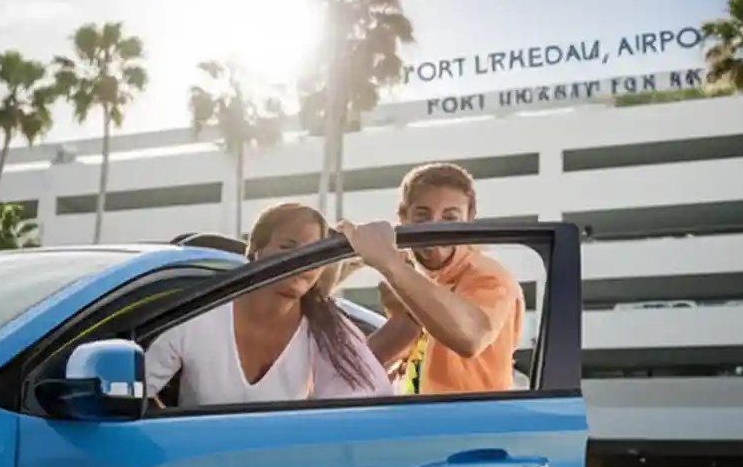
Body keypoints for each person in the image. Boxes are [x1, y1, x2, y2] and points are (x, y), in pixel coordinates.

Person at [144, 202, 391, 407]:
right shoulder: (198, 318)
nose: (302, 261)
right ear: (256, 251)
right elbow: (135, 396)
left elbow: (368, 398)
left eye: (315, 253)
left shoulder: (328, 330)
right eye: (287, 247)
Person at [341, 162, 526, 394]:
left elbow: (470, 337)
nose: (435, 228)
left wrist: (389, 263)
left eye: (450, 218)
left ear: (469, 220)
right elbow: (369, 367)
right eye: (422, 216)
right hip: (421, 422)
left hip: (473, 426)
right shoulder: (414, 280)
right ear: (402, 218)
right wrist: (347, 257)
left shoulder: (489, 277)